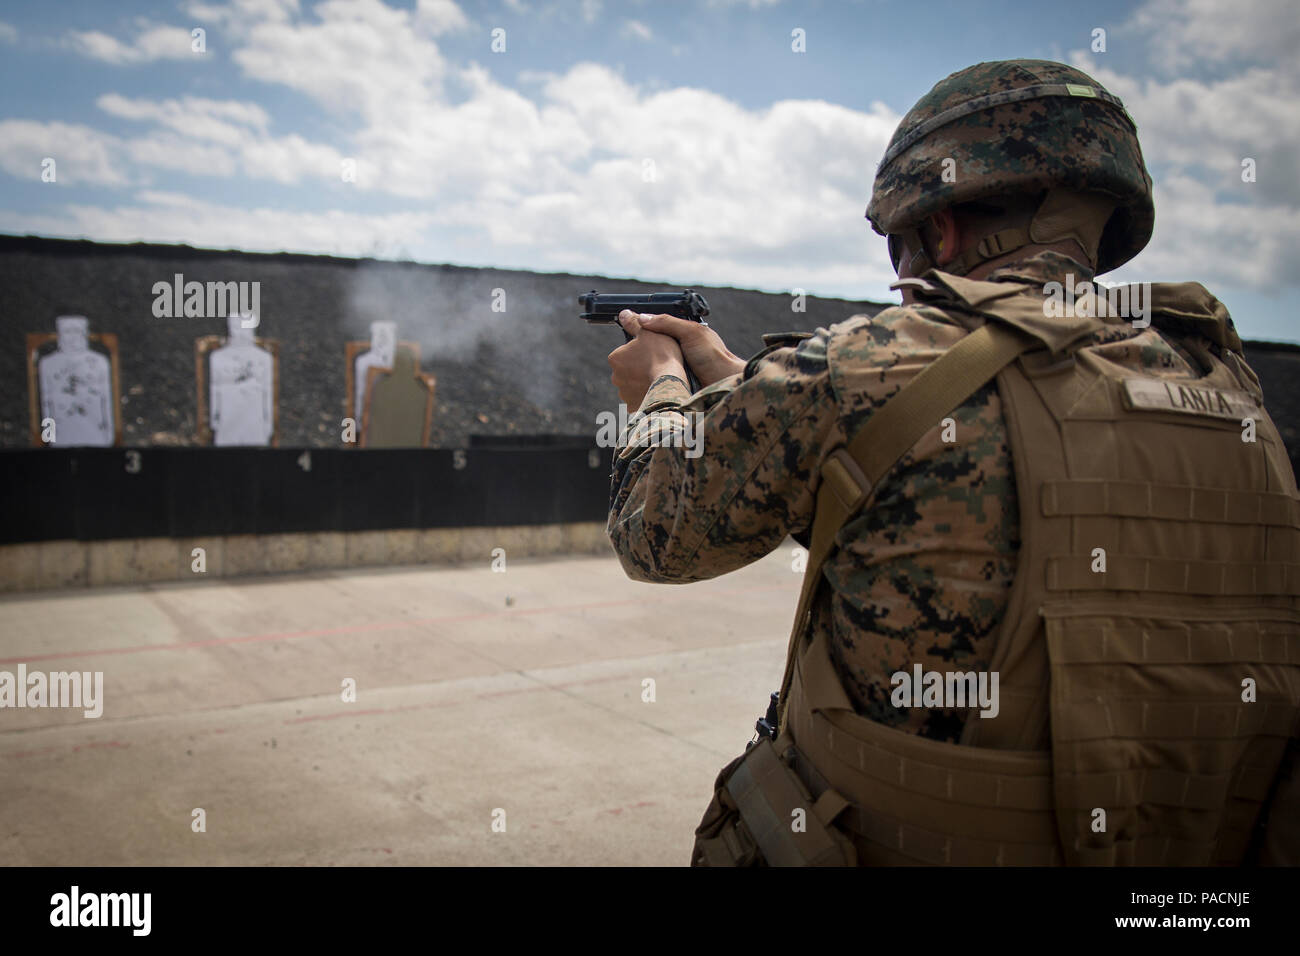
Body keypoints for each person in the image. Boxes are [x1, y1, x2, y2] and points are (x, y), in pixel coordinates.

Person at [605, 59, 1300, 866]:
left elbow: (655, 536)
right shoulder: (1227, 387)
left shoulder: (857, 367)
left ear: (940, 231)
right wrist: (737, 381)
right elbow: (904, 503)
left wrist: (659, 386)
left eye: (903, 252)